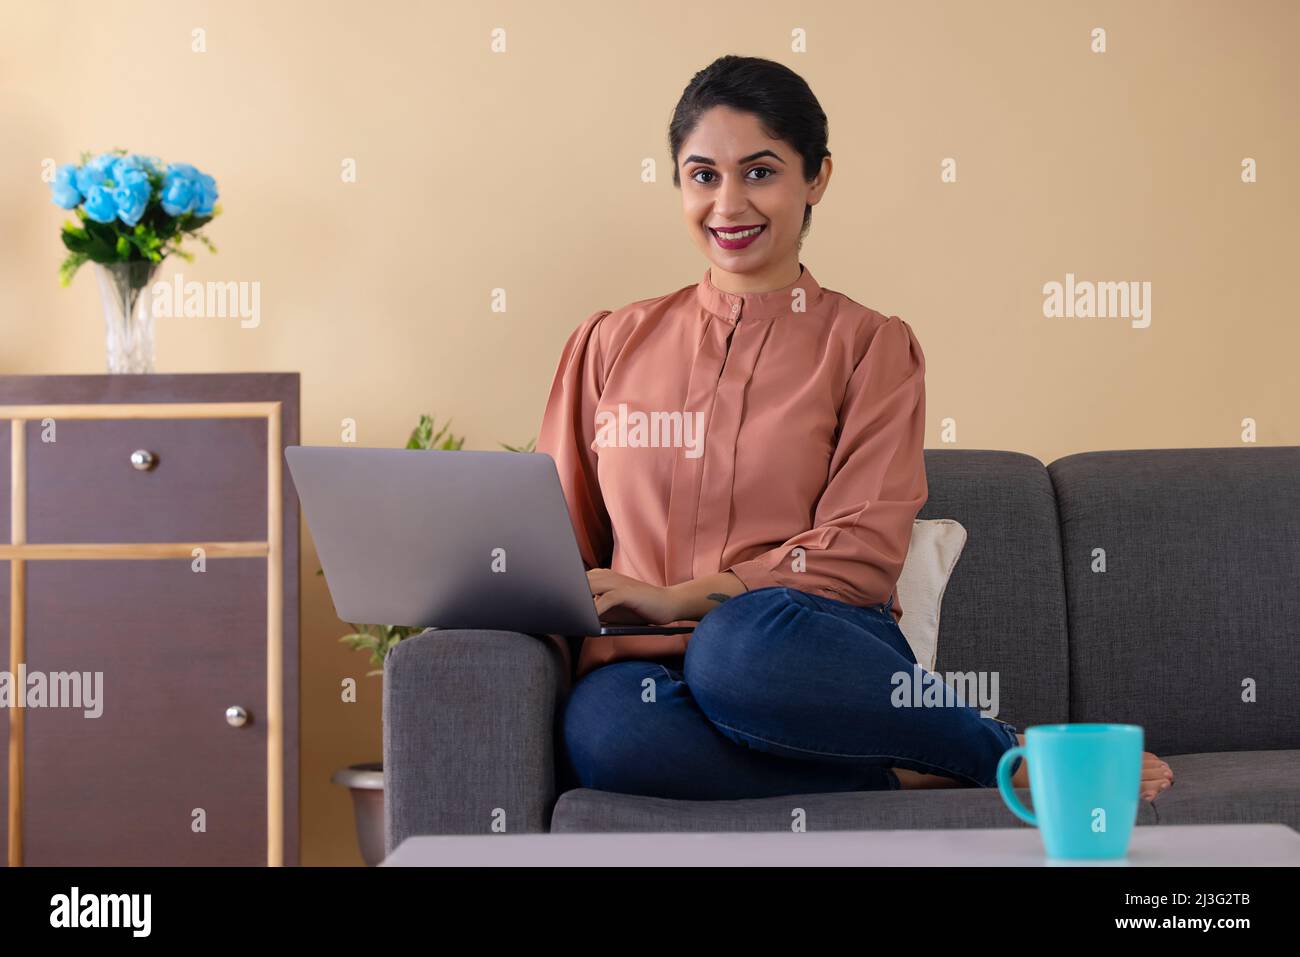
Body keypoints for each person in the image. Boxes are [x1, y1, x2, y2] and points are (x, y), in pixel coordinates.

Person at [537, 54, 1173, 803]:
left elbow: (859, 554)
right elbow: (554, 538)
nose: (728, 204)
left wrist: (681, 599)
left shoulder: (871, 346)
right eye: (703, 175)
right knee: (612, 736)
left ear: (817, 179)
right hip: (641, 669)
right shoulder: (611, 343)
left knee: (731, 646)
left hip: (805, 653)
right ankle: (910, 766)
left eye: (761, 172)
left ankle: (989, 748)